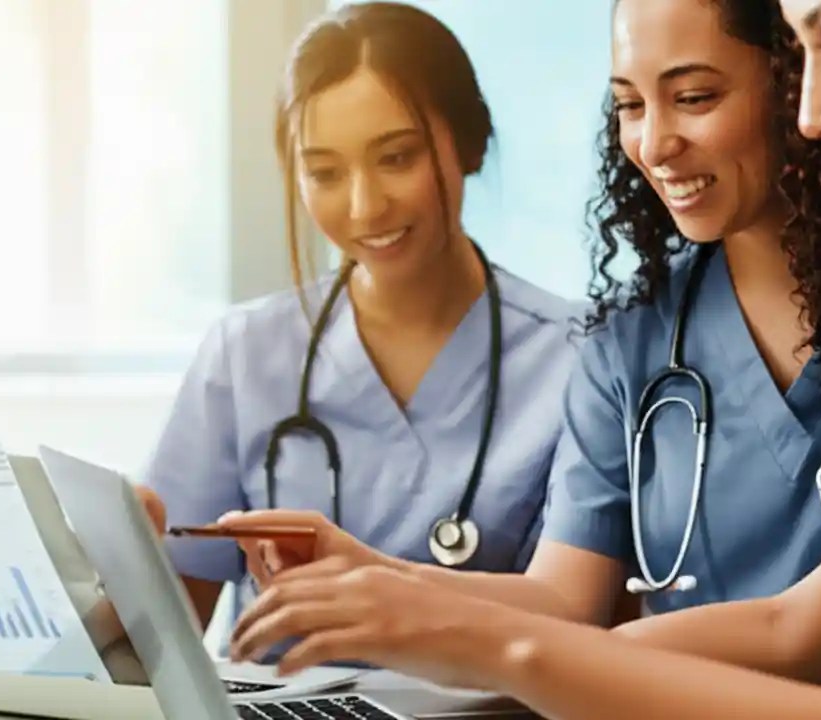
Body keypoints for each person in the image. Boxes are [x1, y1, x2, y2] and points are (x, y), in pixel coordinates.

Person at [224, 0, 821, 717]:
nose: (811, 110)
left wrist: (503, 653)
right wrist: (418, 606)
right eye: (802, 50)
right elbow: (796, 627)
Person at [135, 1, 581, 633]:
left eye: (397, 158)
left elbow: (584, 619)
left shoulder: (578, 358)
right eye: (324, 172)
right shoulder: (245, 354)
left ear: (471, 144)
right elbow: (157, 636)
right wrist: (105, 564)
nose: (365, 206)